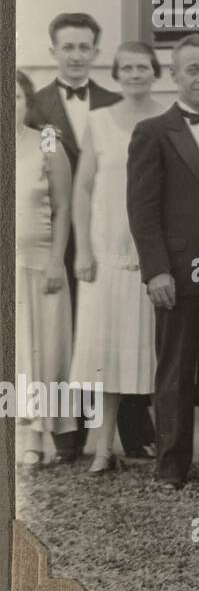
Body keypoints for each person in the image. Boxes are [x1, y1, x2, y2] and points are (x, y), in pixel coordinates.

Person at [30, 12, 154, 461]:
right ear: (54, 52)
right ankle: (69, 436)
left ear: (97, 54)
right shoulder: (38, 107)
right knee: (73, 337)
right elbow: (40, 167)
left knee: (121, 332)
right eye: (68, 47)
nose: (77, 55)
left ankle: (135, 434)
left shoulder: (112, 99)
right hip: (61, 237)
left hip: (121, 235)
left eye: (85, 47)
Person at [127, 35, 199, 489]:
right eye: (192, 69)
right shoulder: (153, 131)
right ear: (174, 75)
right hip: (175, 270)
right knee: (174, 370)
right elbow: (142, 207)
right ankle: (172, 466)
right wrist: (155, 270)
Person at [70, 43, 166, 474]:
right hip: (106, 258)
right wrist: (84, 249)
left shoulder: (167, 120)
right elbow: (83, 188)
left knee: (155, 358)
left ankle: (166, 448)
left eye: (142, 67)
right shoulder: (98, 121)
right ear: (116, 74)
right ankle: (104, 449)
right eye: (126, 68)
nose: (134, 74)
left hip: (150, 259)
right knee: (105, 359)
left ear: (154, 71)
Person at [14, 70, 76, 467]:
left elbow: (63, 206)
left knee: (44, 351)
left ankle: (38, 437)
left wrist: (57, 259)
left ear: (27, 102)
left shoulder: (47, 142)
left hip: (41, 266)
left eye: (16, 97)